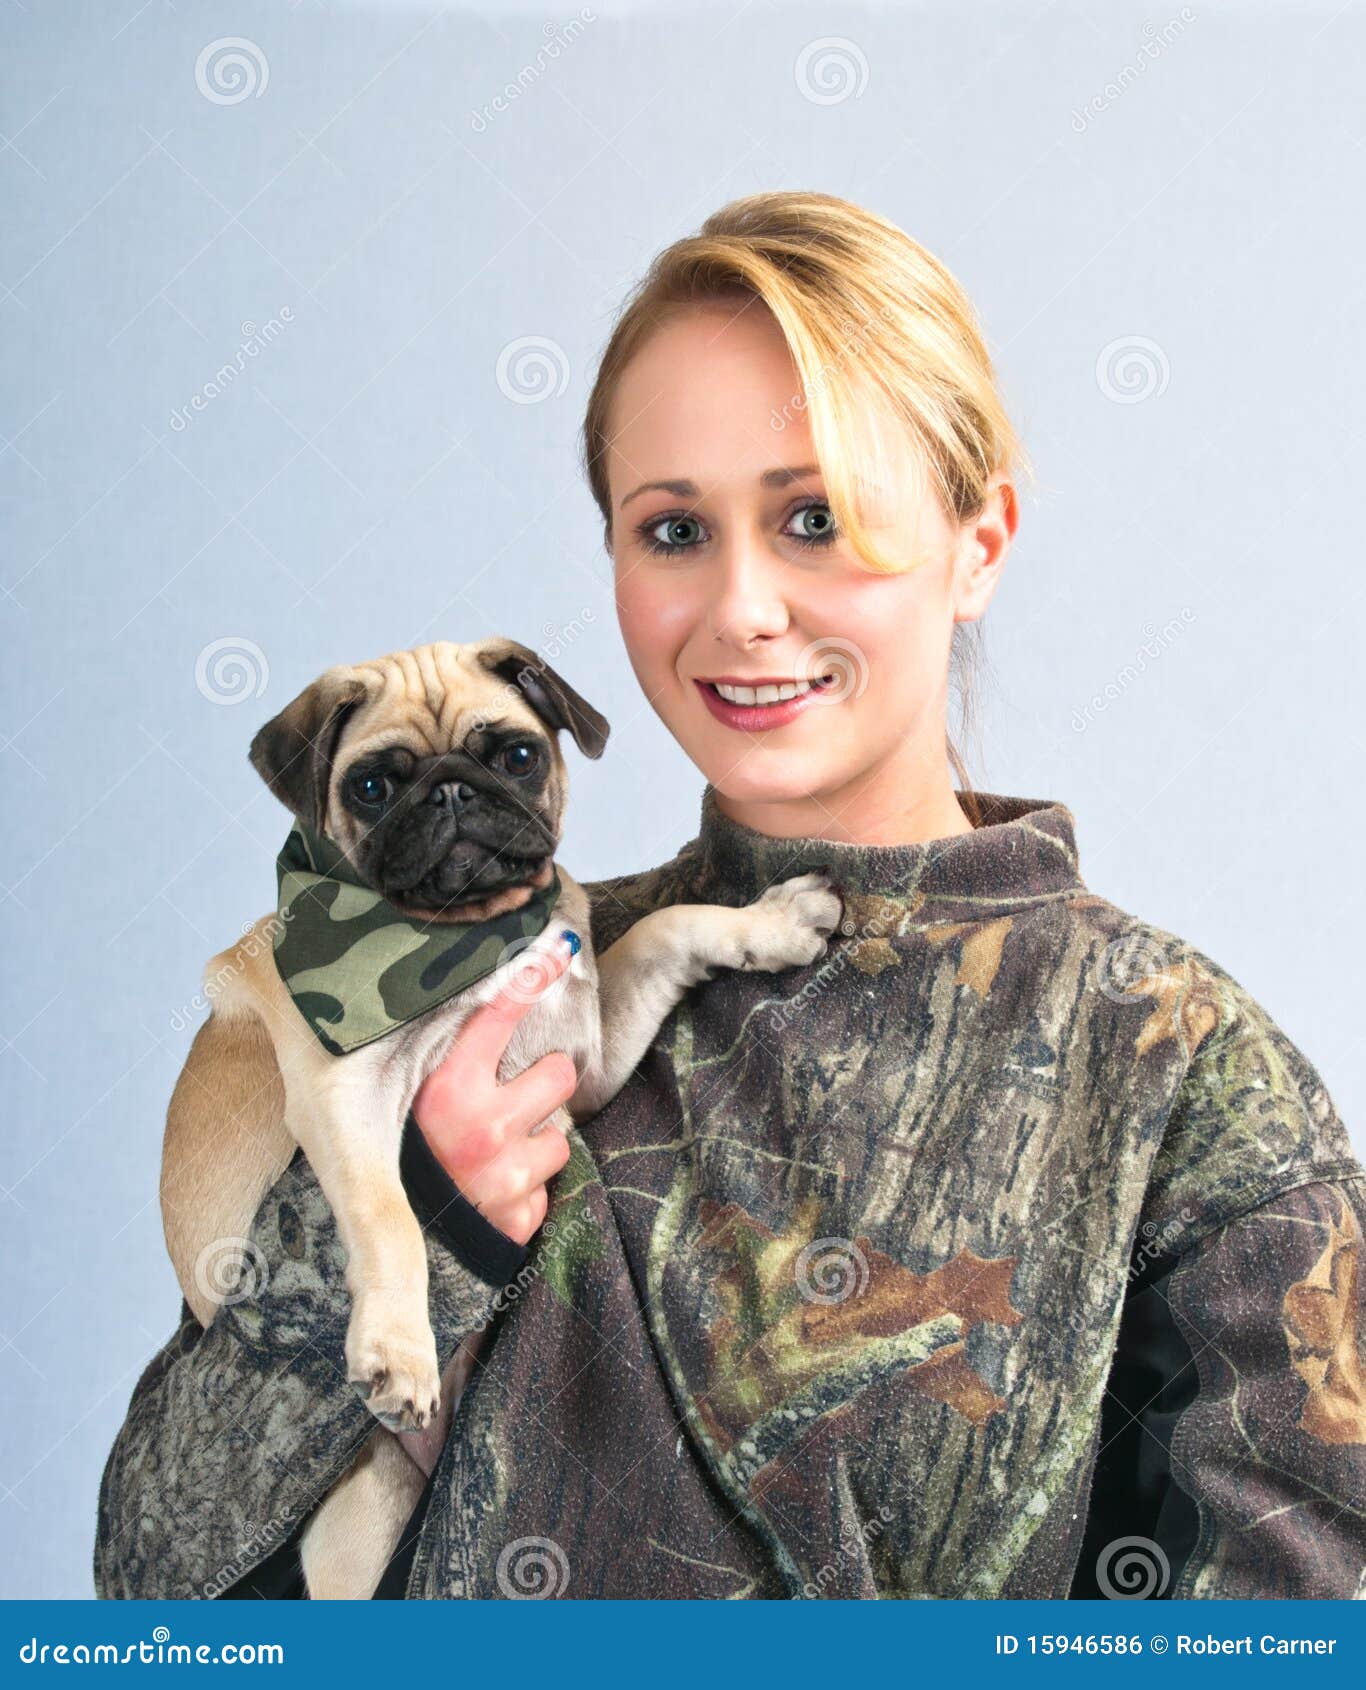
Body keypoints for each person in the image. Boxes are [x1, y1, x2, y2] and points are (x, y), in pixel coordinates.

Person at [94, 191, 1366, 1601]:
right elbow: (153, 1596)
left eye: (815, 518)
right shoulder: (472, 991)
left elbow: (1286, 1630)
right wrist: (414, 1228)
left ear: (979, 542)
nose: (743, 607)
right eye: (673, 530)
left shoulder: (1172, 1064)